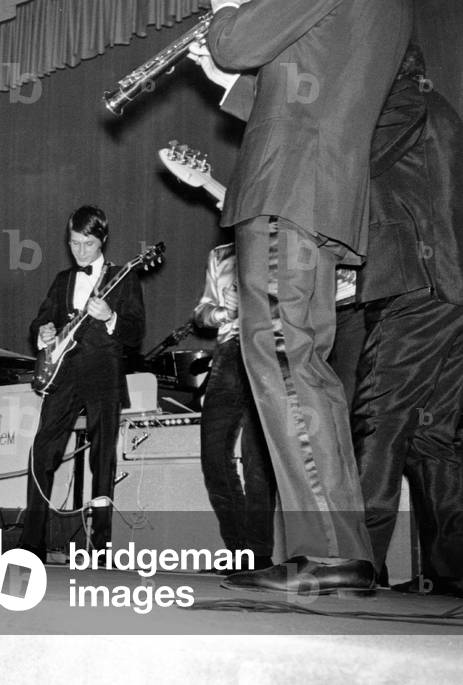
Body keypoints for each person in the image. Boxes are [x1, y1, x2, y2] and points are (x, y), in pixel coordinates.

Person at [188, 0, 412, 594]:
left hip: (287, 187)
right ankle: (339, 550)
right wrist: (231, 83)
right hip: (315, 185)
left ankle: (329, 551)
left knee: (285, 361)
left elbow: (234, 40)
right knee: (303, 366)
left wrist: (226, 9)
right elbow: (314, 89)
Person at [352, 44, 463, 597]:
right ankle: (450, 573)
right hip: (452, 293)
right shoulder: (439, 105)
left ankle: (357, 566)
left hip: (417, 289)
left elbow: (348, 158)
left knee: (379, 419)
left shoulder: (400, 99)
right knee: (434, 439)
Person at [20, 205, 145, 562]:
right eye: (74, 243)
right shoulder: (62, 280)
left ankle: (102, 547)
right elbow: (41, 320)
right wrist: (42, 332)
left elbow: (135, 333)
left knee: (102, 460)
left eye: (87, 244)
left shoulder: (124, 277)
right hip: (64, 376)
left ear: (102, 239)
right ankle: (32, 543)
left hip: (104, 373)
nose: (80, 251)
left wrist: (111, 318)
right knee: (42, 451)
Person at [193, 243, 275, 572]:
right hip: (228, 352)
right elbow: (201, 312)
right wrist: (222, 313)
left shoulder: (279, 244)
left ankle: (257, 554)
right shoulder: (220, 255)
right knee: (213, 455)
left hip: (268, 347)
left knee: (257, 459)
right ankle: (239, 551)